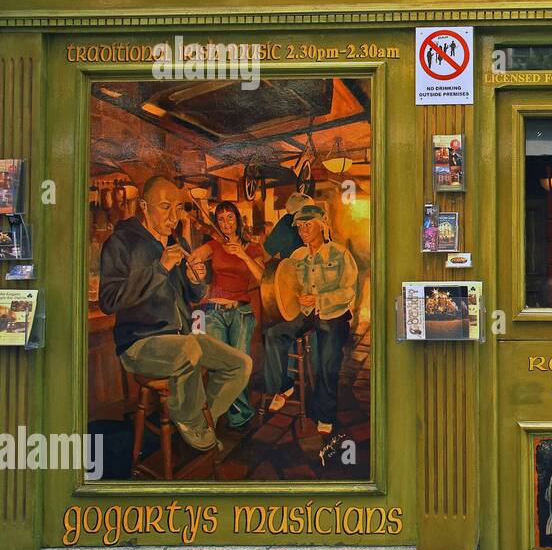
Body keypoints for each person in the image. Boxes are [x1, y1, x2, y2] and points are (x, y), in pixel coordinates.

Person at [98, 176, 252, 451]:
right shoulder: (120, 243)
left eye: (178, 208)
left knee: (240, 364)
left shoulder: (178, 241)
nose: (174, 216)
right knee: (190, 349)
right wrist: (160, 267)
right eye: (165, 207)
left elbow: (194, 296)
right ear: (144, 207)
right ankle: (190, 419)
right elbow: (109, 301)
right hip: (140, 344)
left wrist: (197, 280)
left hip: (182, 340)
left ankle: (202, 423)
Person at [263, 204, 358, 444]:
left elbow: (348, 291)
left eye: (308, 225)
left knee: (326, 360)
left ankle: (324, 414)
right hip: (306, 312)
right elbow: (289, 284)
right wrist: (295, 297)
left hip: (332, 312)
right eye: (300, 226)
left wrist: (320, 299)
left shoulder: (339, 254)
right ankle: (285, 386)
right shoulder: (297, 257)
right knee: (274, 334)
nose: (303, 230)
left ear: (321, 225)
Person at [190, 201, 266, 429]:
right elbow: (194, 257)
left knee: (240, 363)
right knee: (219, 364)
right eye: (221, 219)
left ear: (238, 220)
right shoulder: (214, 244)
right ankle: (222, 414)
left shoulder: (252, 248)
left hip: (241, 312)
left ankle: (235, 413)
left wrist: (242, 254)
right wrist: (196, 267)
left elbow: (263, 278)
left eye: (229, 218)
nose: (225, 223)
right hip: (213, 311)